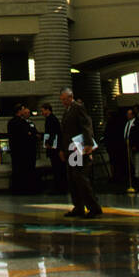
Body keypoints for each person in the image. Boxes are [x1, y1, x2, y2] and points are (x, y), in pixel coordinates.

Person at [58, 86, 102, 218]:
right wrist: (62, 149)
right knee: (72, 178)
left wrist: (88, 143)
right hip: (71, 150)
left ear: (70, 97)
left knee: (81, 178)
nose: (63, 102)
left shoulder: (78, 107)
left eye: (65, 99)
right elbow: (65, 133)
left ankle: (93, 207)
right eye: (62, 100)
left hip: (79, 149)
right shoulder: (67, 111)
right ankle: (78, 206)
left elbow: (86, 125)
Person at [6, 102, 40, 195]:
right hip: (24, 151)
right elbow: (27, 135)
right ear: (19, 111)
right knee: (25, 170)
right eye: (23, 109)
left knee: (17, 170)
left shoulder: (11, 122)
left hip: (16, 151)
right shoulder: (20, 122)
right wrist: (30, 135)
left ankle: (18, 188)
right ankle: (26, 188)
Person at [40, 102, 65, 191]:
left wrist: (49, 144)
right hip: (55, 146)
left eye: (42, 111)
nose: (42, 113)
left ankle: (59, 187)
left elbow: (53, 133)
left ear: (47, 110)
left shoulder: (50, 119)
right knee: (57, 167)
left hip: (54, 148)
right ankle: (59, 186)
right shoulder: (51, 119)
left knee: (57, 167)